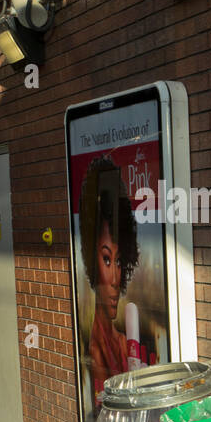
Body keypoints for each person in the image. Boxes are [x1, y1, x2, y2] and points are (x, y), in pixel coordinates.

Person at [78, 156, 139, 406]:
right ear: (90, 258)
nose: (115, 279)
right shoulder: (92, 353)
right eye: (106, 259)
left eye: (118, 261)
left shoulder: (125, 344)